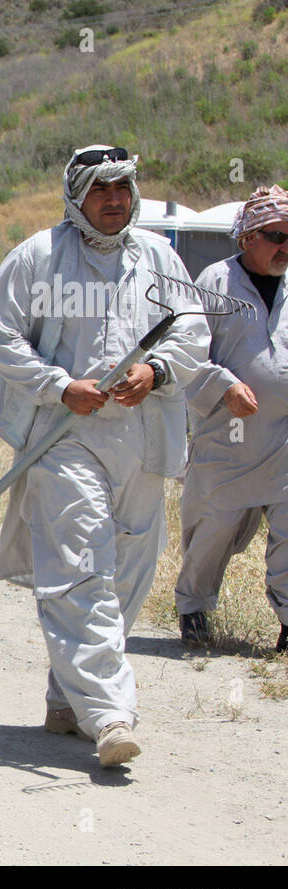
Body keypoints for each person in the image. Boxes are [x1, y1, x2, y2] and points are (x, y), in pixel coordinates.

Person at [0, 144, 208, 767]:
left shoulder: (159, 257)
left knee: (130, 567)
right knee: (81, 566)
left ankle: (67, 695)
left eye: (123, 189)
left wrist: (157, 372)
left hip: (143, 434)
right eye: (101, 191)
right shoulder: (38, 256)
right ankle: (110, 712)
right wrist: (59, 385)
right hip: (64, 434)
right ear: (76, 197)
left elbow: (192, 329)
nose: (115, 201)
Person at [175, 185, 288, 654]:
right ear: (246, 238)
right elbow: (186, 353)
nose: (285, 246)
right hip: (229, 434)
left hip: (284, 439)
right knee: (213, 527)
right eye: (275, 235)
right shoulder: (215, 282)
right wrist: (224, 385)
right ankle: (194, 608)